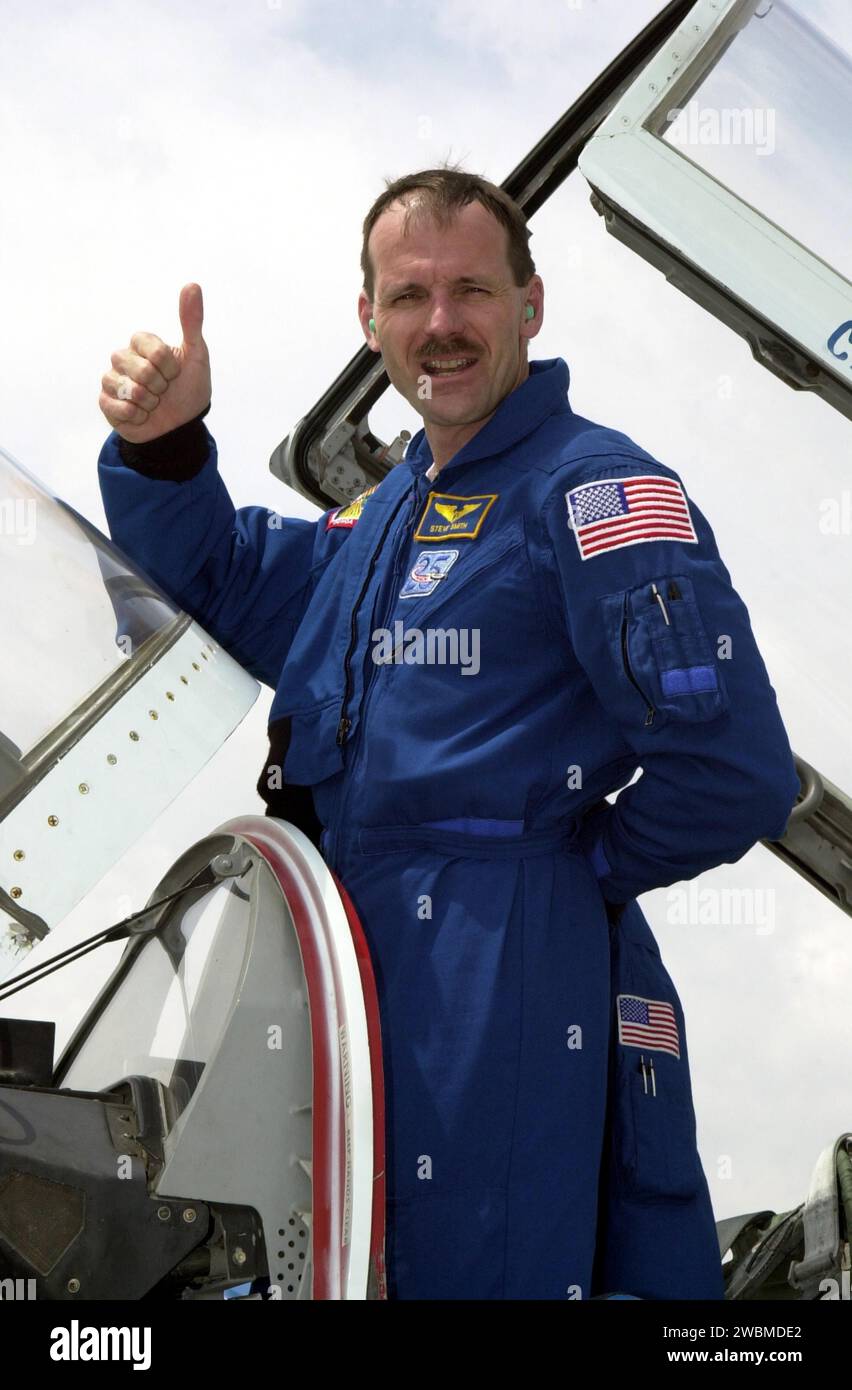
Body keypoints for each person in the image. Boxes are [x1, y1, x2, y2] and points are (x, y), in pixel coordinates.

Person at [97, 167, 800, 1300]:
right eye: (408, 295)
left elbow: (735, 773)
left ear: (531, 303)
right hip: (346, 962)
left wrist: (566, 880)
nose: (441, 323)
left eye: (471, 289)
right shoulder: (385, 520)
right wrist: (170, 449)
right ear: (367, 321)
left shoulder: (595, 494)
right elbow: (227, 574)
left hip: (500, 971)